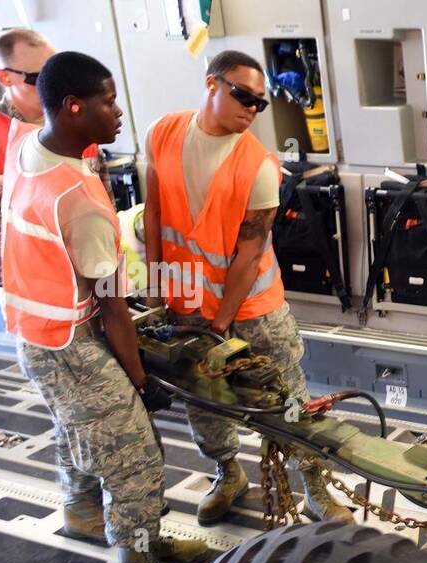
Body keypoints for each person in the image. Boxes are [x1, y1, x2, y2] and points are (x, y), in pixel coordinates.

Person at [1, 50, 208, 563]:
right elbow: (112, 302)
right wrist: (141, 380)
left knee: (92, 439)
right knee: (135, 453)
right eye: (107, 101)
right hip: (68, 343)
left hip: (38, 329)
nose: (118, 112)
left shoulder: (27, 149)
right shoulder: (79, 199)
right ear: (73, 107)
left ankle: (138, 535)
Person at [142, 50, 354, 526]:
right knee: (203, 400)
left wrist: (222, 322)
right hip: (185, 302)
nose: (252, 110)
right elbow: (153, 212)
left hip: (253, 306)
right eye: (243, 97)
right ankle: (227, 473)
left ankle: (317, 489)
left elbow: (249, 251)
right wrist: (158, 294)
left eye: (260, 103)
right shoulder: (162, 133)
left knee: (287, 398)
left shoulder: (259, 165)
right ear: (211, 84)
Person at [0, 27, 111, 538]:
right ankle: (82, 504)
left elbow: (97, 199)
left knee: (84, 409)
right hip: (46, 311)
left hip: (88, 297)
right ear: (4, 78)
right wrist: (39, 294)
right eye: (37, 74)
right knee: (73, 408)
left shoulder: (74, 121)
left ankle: (83, 502)